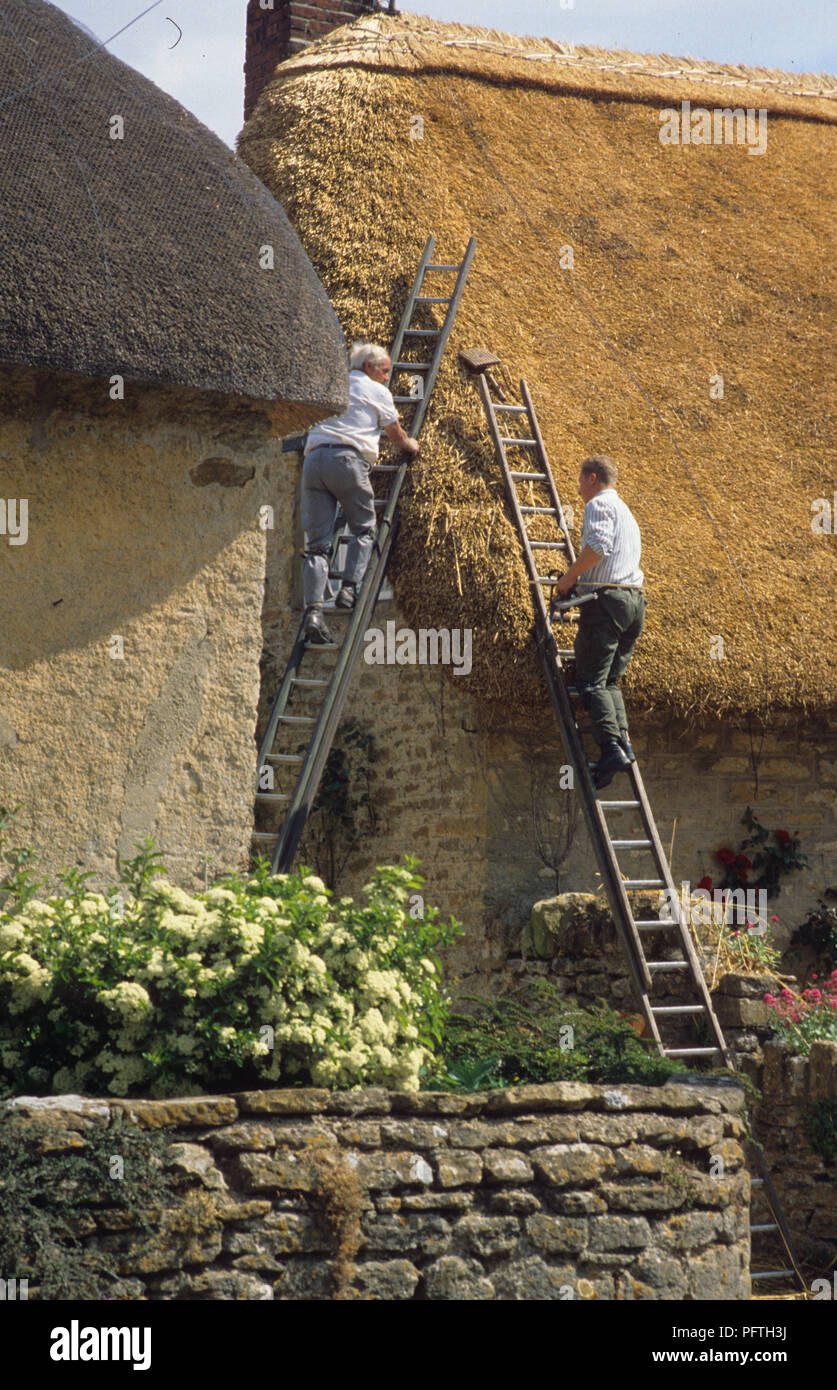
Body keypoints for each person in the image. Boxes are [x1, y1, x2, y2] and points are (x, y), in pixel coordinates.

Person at [300, 341, 419, 643]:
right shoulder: (376, 391)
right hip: (348, 461)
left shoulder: (331, 381)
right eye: (385, 371)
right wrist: (412, 446)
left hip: (313, 462)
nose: (387, 378)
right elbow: (396, 435)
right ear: (369, 367)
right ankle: (349, 590)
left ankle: (313, 612)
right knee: (365, 530)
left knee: (317, 546)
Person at [553, 455, 646, 789]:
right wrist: (582, 582)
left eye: (580, 482)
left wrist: (567, 580)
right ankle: (623, 744)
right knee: (610, 683)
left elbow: (599, 547)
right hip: (634, 601)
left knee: (592, 681)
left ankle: (609, 750)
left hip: (608, 603)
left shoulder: (598, 505)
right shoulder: (627, 513)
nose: (578, 490)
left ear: (592, 478)